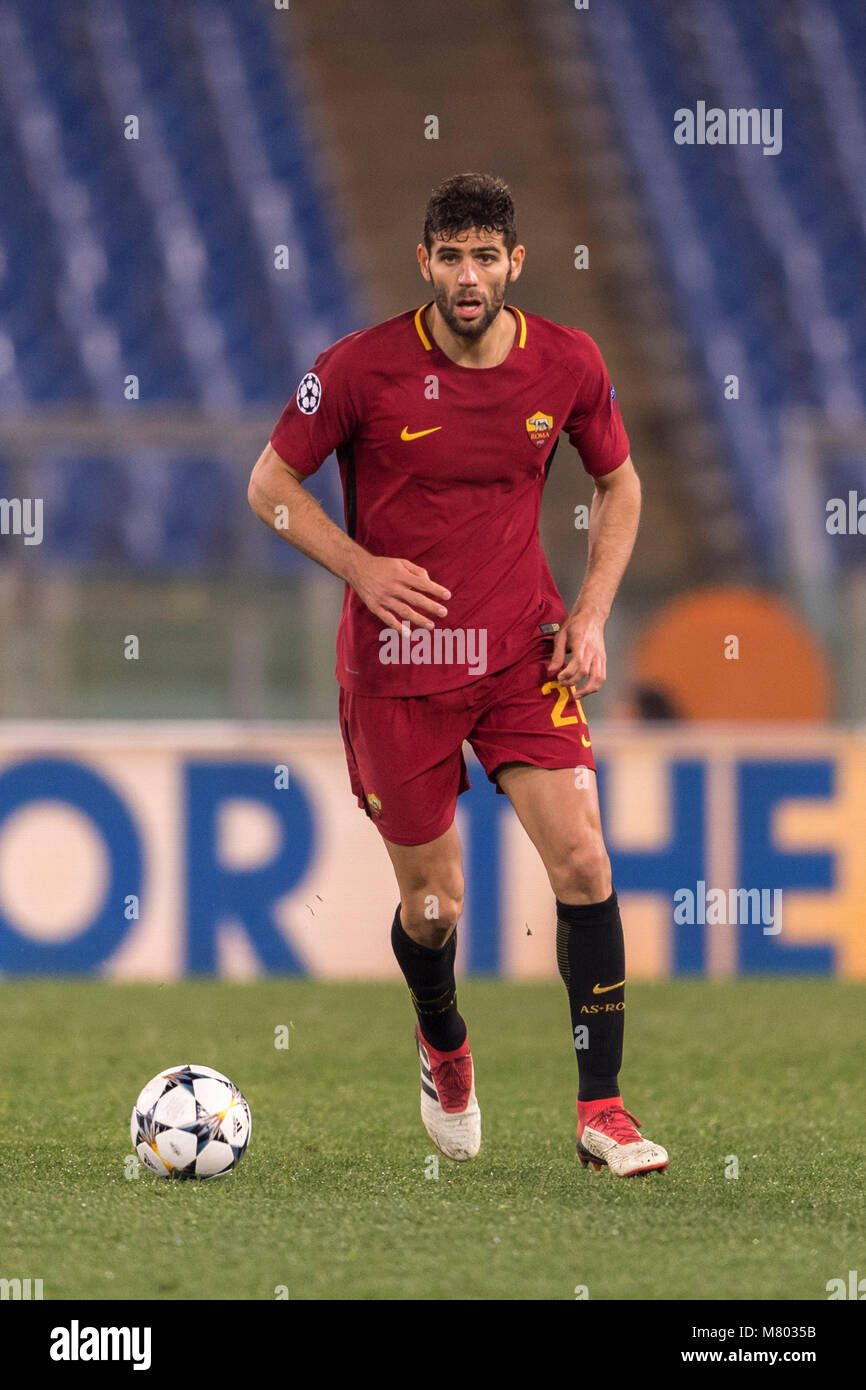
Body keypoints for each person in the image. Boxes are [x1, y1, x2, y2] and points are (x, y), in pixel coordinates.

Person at [248, 172, 668, 1177]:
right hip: (399, 671)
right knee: (435, 909)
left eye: (486, 256)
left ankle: (600, 1109)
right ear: (424, 263)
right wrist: (360, 565)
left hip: (524, 654)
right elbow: (269, 487)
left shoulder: (566, 362)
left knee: (583, 862)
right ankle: (442, 1042)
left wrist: (594, 613)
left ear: (514, 264)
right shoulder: (357, 369)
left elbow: (617, 481)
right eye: (451, 256)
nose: (468, 274)